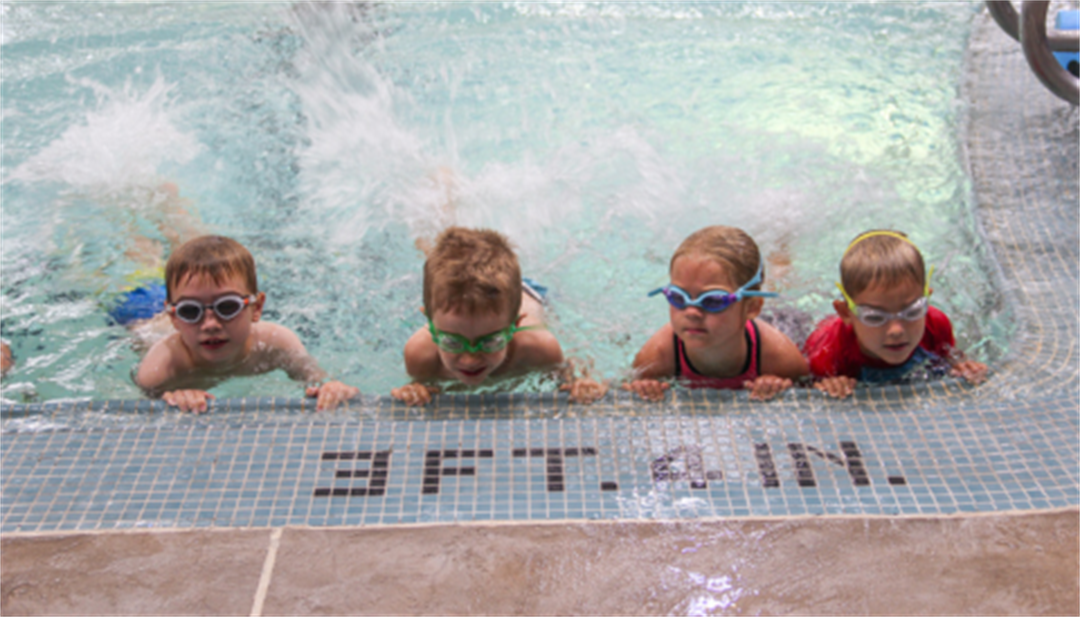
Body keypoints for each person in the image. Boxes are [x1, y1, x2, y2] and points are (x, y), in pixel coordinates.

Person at [134, 235, 358, 412]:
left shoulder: (276, 343)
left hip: (182, 292)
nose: (210, 324)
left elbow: (320, 381)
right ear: (174, 317)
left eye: (227, 306)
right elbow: (141, 411)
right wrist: (174, 397)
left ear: (257, 307)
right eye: (190, 311)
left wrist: (332, 388)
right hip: (141, 312)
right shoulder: (162, 368)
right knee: (142, 258)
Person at [391, 226, 606, 406]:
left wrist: (582, 383)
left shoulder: (538, 347)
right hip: (466, 297)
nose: (470, 359)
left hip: (528, 294)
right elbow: (423, 387)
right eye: (452, 342)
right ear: (430, 324)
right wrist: (415, 391)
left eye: (491, 341)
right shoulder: (421, 354)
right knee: (436, 265)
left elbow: (571, 373)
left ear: (515, 323)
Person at [623, 225, 808, 401]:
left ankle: (780, 258)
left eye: (713, 301)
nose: (692, 312)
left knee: (783, 290)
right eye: (678, 297)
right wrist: (644, 388)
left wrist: (779, 386)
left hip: (781, 323)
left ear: (752, 307)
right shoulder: (659, 356)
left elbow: (811, 402)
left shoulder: (779, 358)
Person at [804, 230, 988, 399]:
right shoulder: (828, 353)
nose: (896, 330)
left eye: (913, 311)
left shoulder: (936, 325)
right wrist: (829, 385)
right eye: (875, 317)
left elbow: (947, 361)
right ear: (846, 313)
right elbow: (803, 396)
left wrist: (964, 368)